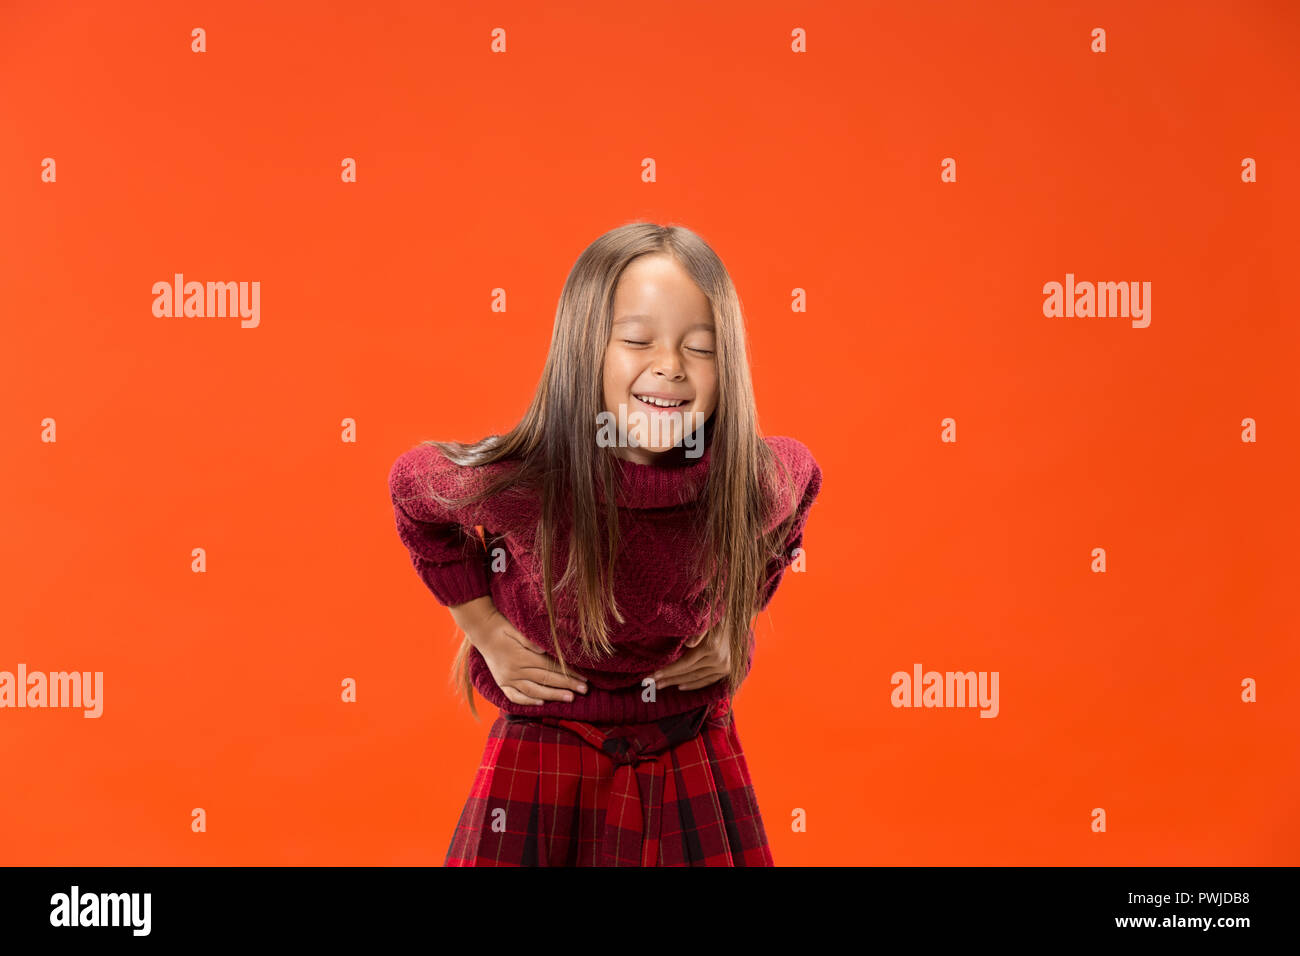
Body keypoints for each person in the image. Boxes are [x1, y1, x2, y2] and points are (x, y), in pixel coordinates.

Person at [388, 222, 823, 865]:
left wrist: (736, 622)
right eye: (638, 340)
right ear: (584, 349)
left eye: (700, 348)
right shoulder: (529, 483)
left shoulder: (750, 482)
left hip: (690, 749)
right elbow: (412, 489)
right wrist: (482, 626)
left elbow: (802, 482)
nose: (670, 366)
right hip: (546, 753)